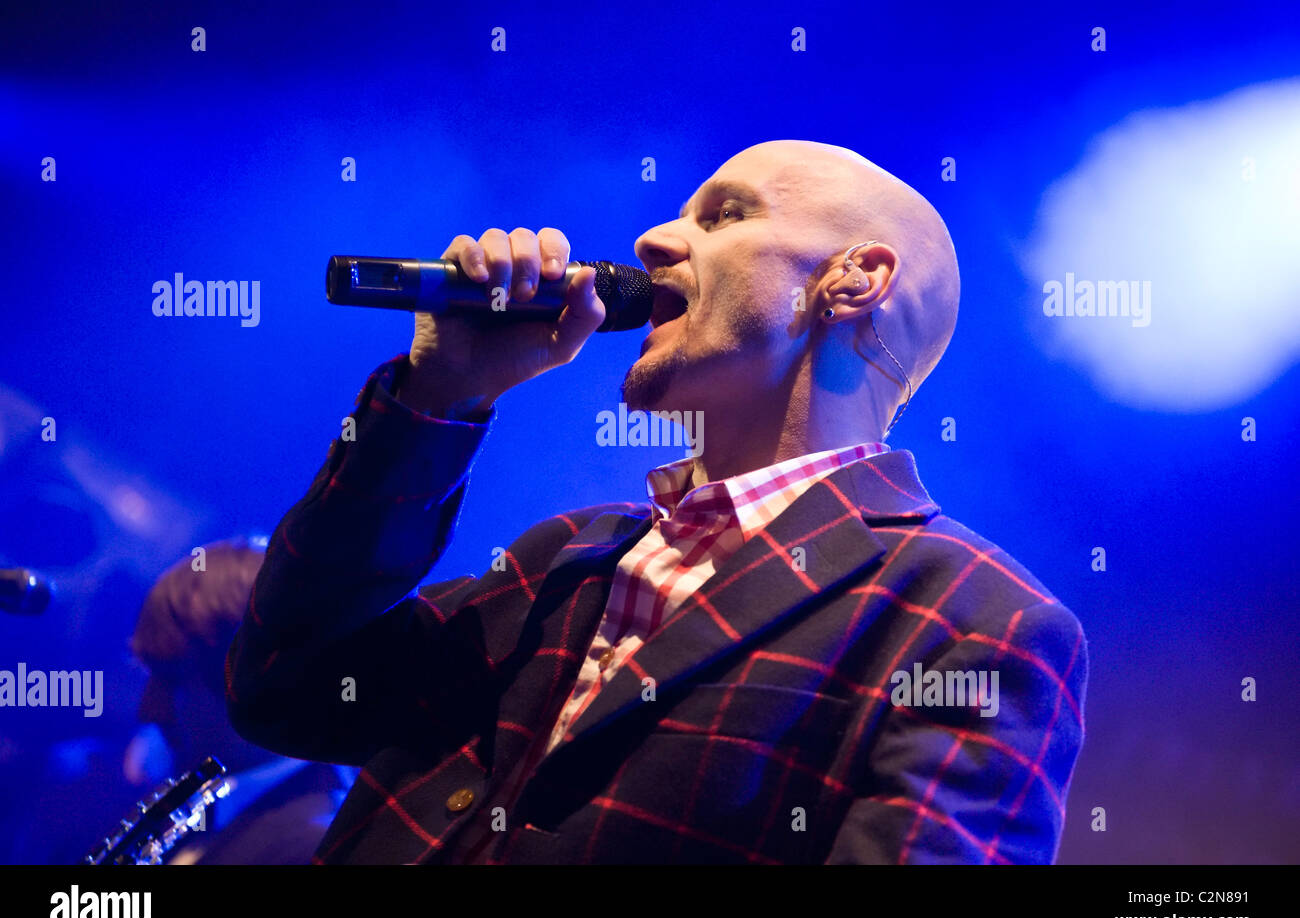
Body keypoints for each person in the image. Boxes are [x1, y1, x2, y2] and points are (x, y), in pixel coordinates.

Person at [226, 140, 1087, 864]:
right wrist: (441, 392)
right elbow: (284, 688)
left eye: (724, 216)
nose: (650, 240)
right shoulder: (560, 558)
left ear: (856, 279)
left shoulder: (972, 619)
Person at [128, 537, 355, 864]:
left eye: (170, 679)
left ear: (253, 682)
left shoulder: (311, 847)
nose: (147, 709)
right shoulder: (198, 805)